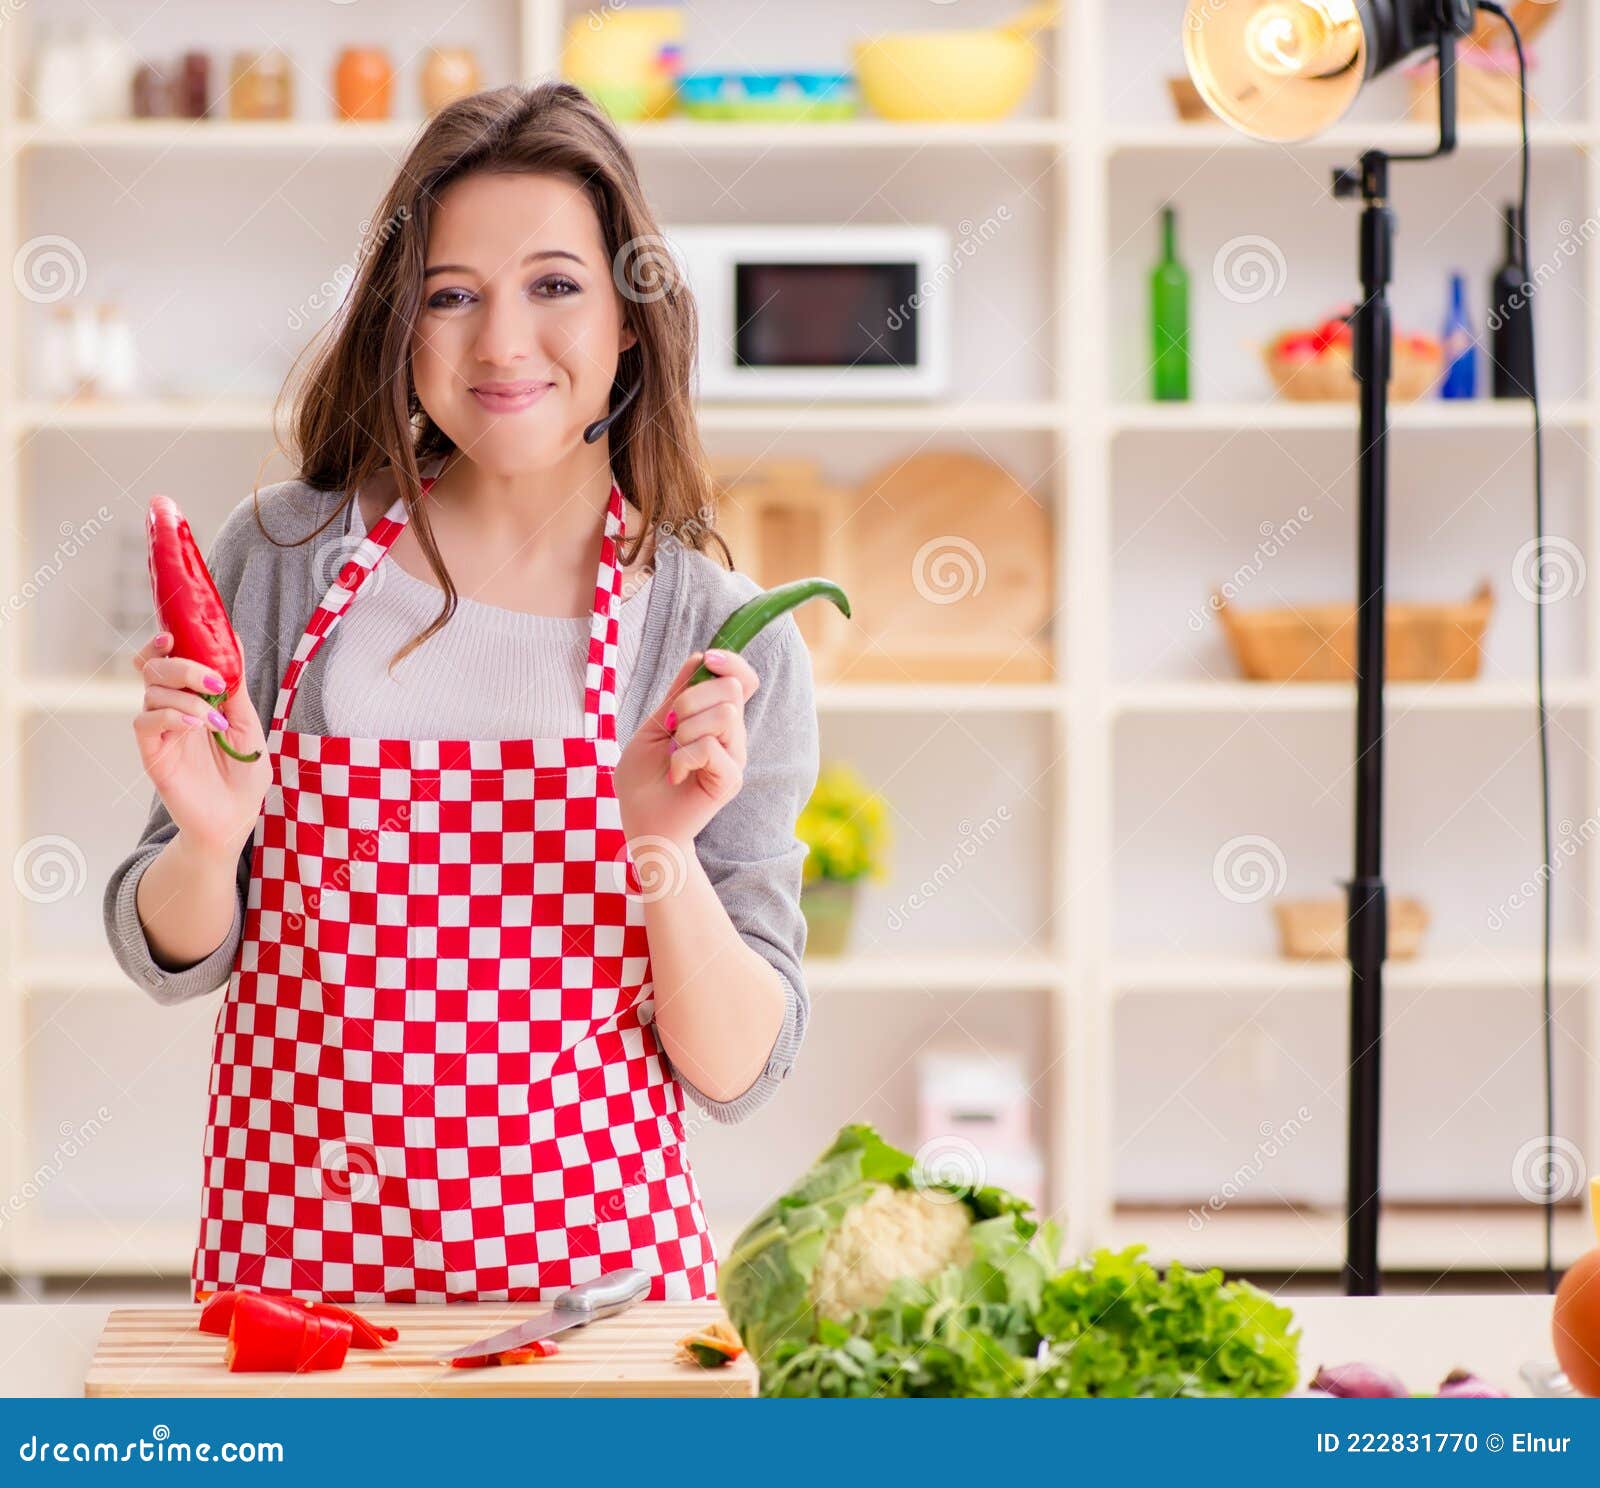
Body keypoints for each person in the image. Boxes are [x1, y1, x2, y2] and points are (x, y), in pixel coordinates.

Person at [102, 81, 819, 1304]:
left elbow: (738, 1069)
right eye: (450, 296)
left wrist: (660, 852)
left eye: (554, 285)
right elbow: (166, 949)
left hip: (598, 1296)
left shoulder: (710, 635)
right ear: (400, 325)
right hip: (301, 1283)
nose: (499, 343)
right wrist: (212, 843)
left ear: (632, 319)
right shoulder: (282, 559)